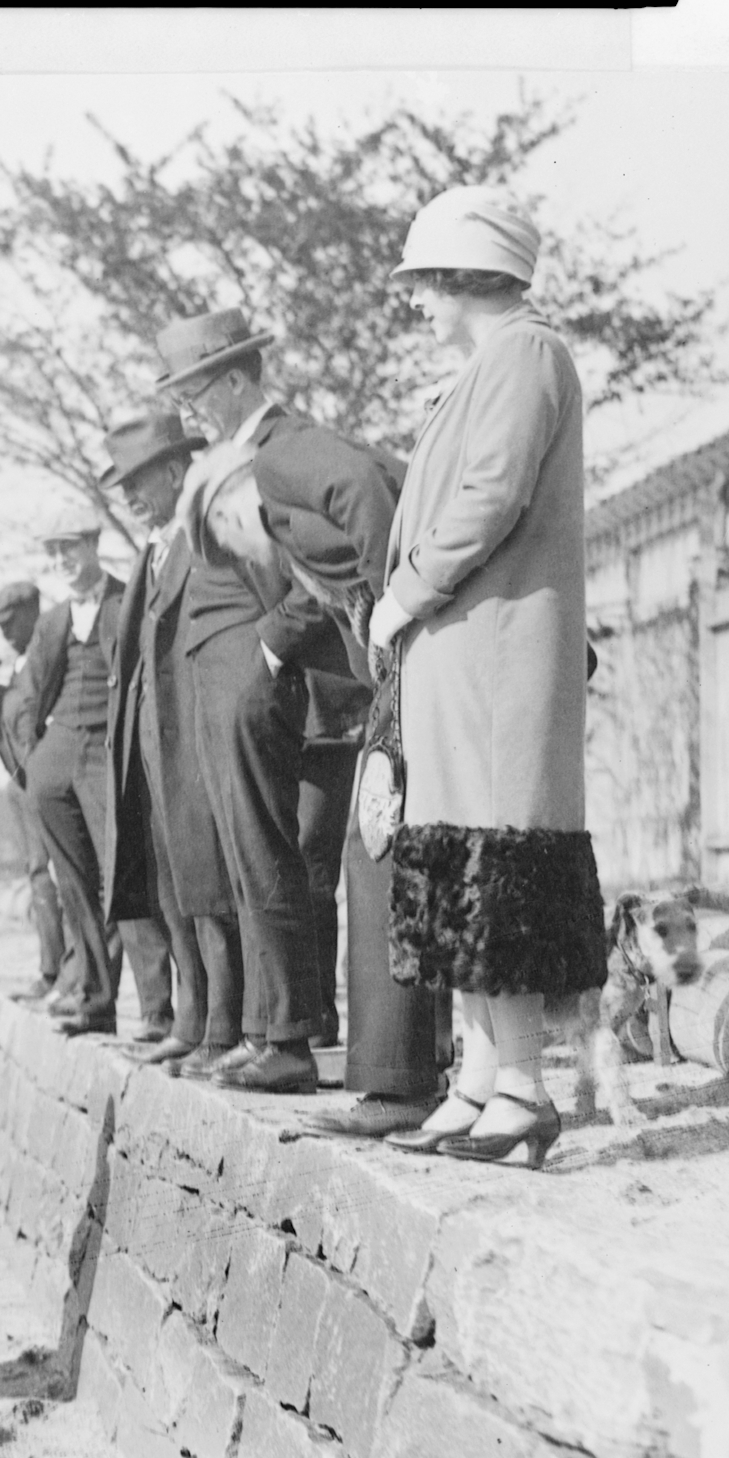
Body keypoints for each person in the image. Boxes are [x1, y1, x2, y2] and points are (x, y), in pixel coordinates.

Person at [370, 185, 608, 1168]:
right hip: (460, 655)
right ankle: (478, 1077)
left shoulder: (526, 353)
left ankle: (523, 1086)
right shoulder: (486, 366)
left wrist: (406, 592)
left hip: (497, 650)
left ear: (467, 275)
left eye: (426, 283)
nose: (419, 302)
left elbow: (490, 494)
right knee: (464, 869)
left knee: (500, 867)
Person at [202, 403, 455, 1138]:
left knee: (374, 844)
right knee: (403, 845)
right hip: (431, 649)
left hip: (425, 645)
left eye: (226, 532)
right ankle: (415, 1071)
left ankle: (397, 1087)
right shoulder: (297, 525)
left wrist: (391, 604)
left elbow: (360, 493)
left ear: (230, 498)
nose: (246, 550)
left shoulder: (280, 463)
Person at [159, 308, 376, 1088]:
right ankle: (273, 1025)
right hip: (229, 682)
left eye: (196, 391)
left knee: (277, 853)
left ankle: (288, 1036)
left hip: (277, 676)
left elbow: (333, 561)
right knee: (251, 854)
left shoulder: (286, 447)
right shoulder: (223, 460)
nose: (188, 409)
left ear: (237, 378)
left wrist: (269, 645)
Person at [95, 408, 242, 1072]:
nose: (128, 496)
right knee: (166, 882)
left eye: (140, 479)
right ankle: (190, 1014)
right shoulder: (152, 551)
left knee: (207, 882)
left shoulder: (211, 537)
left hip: (195, 733)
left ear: (179, 470)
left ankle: (222, 1025)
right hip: (149, 743)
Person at [12, 510, 177, 1042]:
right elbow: (30, 696)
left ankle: (156, 1010)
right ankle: (95, 998)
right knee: (74, 882)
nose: (63, 562)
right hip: (59, 747)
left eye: (71, 549)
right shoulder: (53, 619)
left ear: (93, 546)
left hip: (109, 747)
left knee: (125, 872)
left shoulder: (125, 598)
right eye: (54, 553)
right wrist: (35, 762)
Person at [0, 579, 82, 1007]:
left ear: (33, 613)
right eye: (0, 627)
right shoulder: (21, 669)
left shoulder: (49, 653)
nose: (6, 634)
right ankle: (58, 972)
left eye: (11, 623)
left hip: (58, 782)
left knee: (67, 883)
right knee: (43, 878)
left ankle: (71, 977)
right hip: (34, 786)